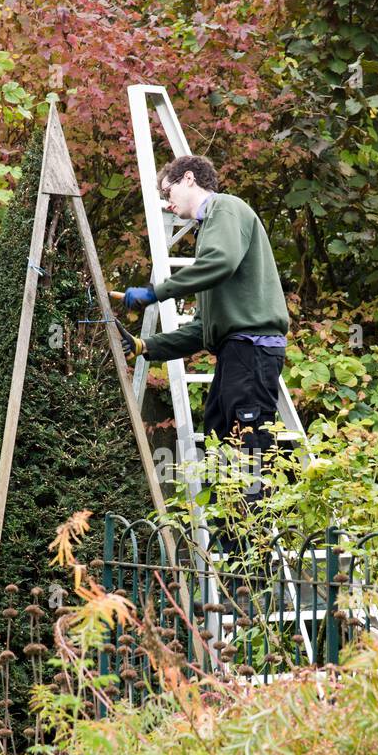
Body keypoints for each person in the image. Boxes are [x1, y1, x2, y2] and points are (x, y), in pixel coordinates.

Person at [115, 154, 290, 507]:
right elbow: (203, 330)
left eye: (169, 191)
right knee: (218, 441)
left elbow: (220, 263)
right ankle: (231, 542)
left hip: (253, 351)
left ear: (190, 178)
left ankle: (253, 550)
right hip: (236, 353)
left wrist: (155, 293)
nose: (167, 202)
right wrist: (144, 345)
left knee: (248, 447)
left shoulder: (225, 209)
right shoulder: (210, 232)